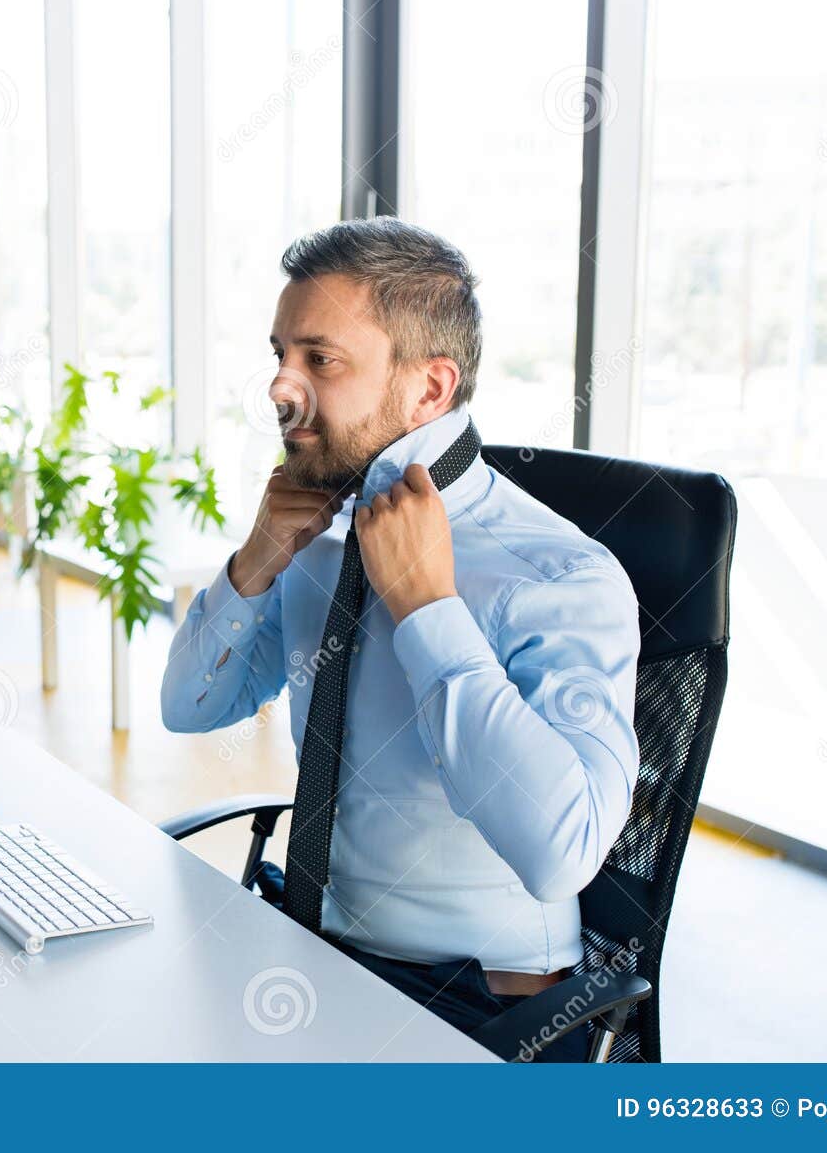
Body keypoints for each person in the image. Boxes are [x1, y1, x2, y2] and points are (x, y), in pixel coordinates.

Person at [161, 217, 640, 1062]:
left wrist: (427, 611)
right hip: (306, 953)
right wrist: (254, 565)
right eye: (279, 353)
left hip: (474, 1011)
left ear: (429, 389)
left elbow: (563, 852)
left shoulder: (562, 574)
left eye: (320, 359)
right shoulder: (318, 529)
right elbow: (190, 707)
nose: (280, 385)